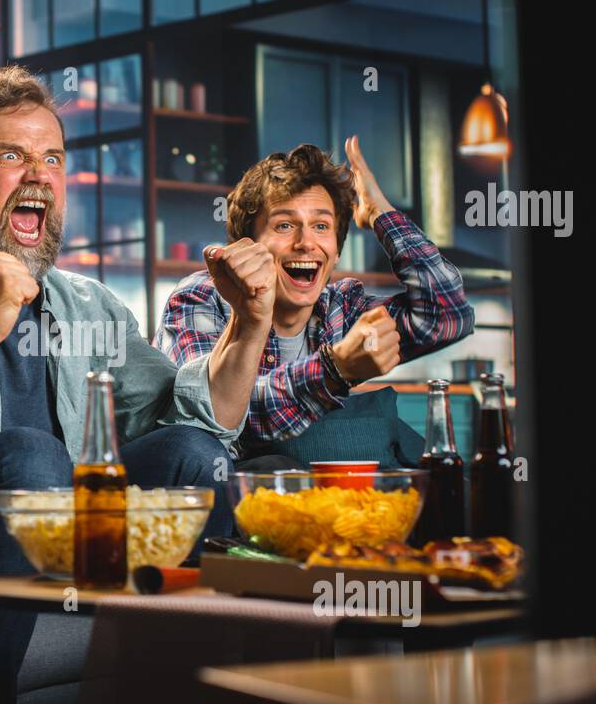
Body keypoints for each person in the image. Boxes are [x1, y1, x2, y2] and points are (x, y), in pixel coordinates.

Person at [0, 65, 273, 704]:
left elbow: (201, 421)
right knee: (32, 453)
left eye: (51, 159)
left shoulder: (90, 304)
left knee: (198, 455)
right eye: (10, 156)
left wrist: (248, 326)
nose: (37, 176)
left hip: (80, 541)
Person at [154, 140, 475, 465]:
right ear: (247, 247)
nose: (306, 242)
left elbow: (445, 314)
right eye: (284, 225)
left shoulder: (341, 308)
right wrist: (334, 370)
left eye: (321, 226)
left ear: (336, 251)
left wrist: (381, 214)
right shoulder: (202, 298)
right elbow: (215, 421)